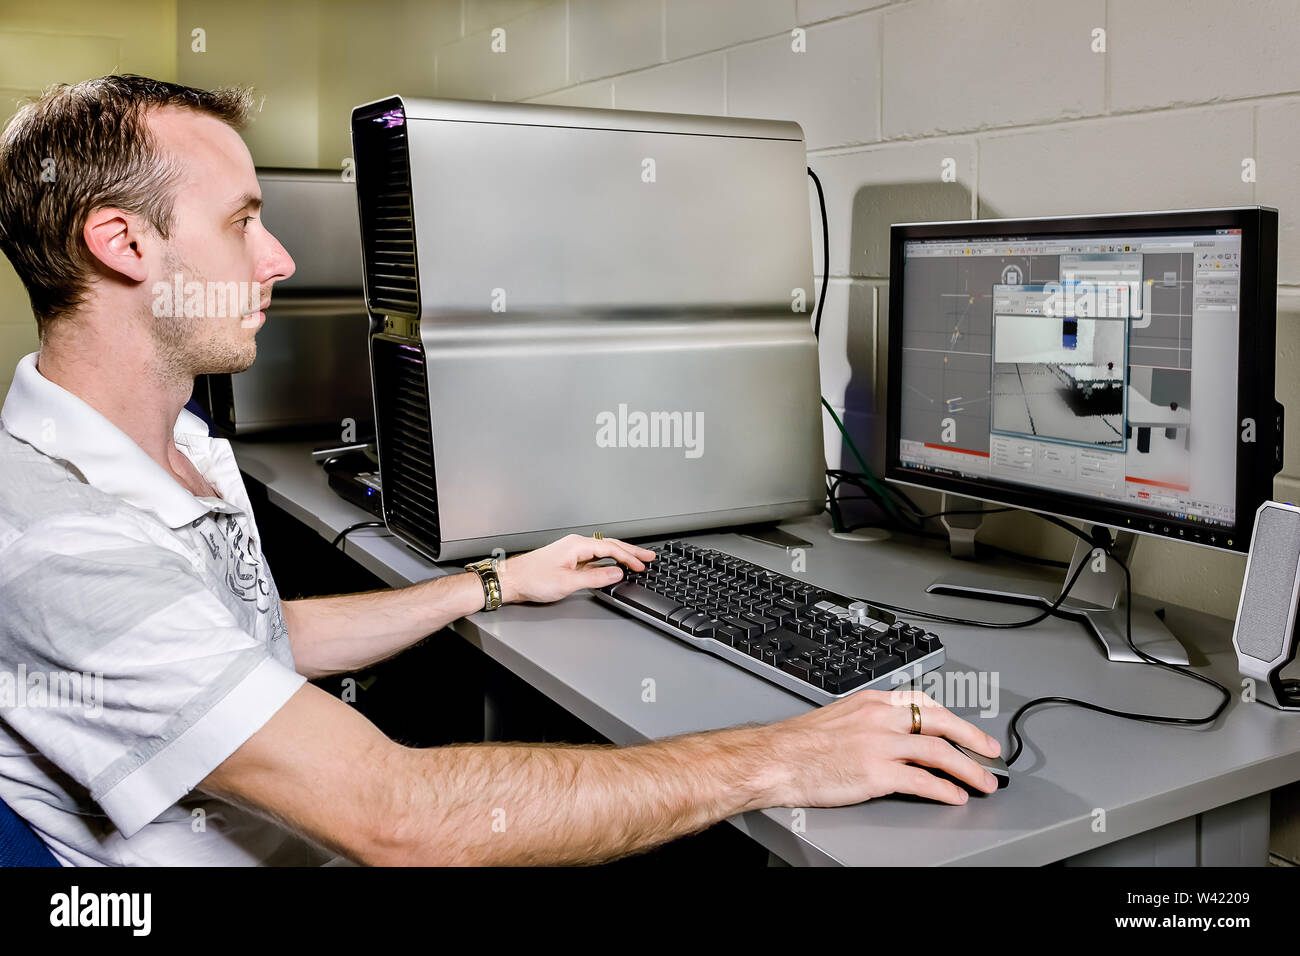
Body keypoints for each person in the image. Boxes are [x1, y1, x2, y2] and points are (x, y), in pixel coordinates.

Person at [0, 75, 1001, 866]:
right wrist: (784, 753)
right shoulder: (55, 536)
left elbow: (252, 633)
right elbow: (398, 817)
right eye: (241, 222)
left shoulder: (166, 442)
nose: (282, 258)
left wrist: (493, 580)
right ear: (123, 243)